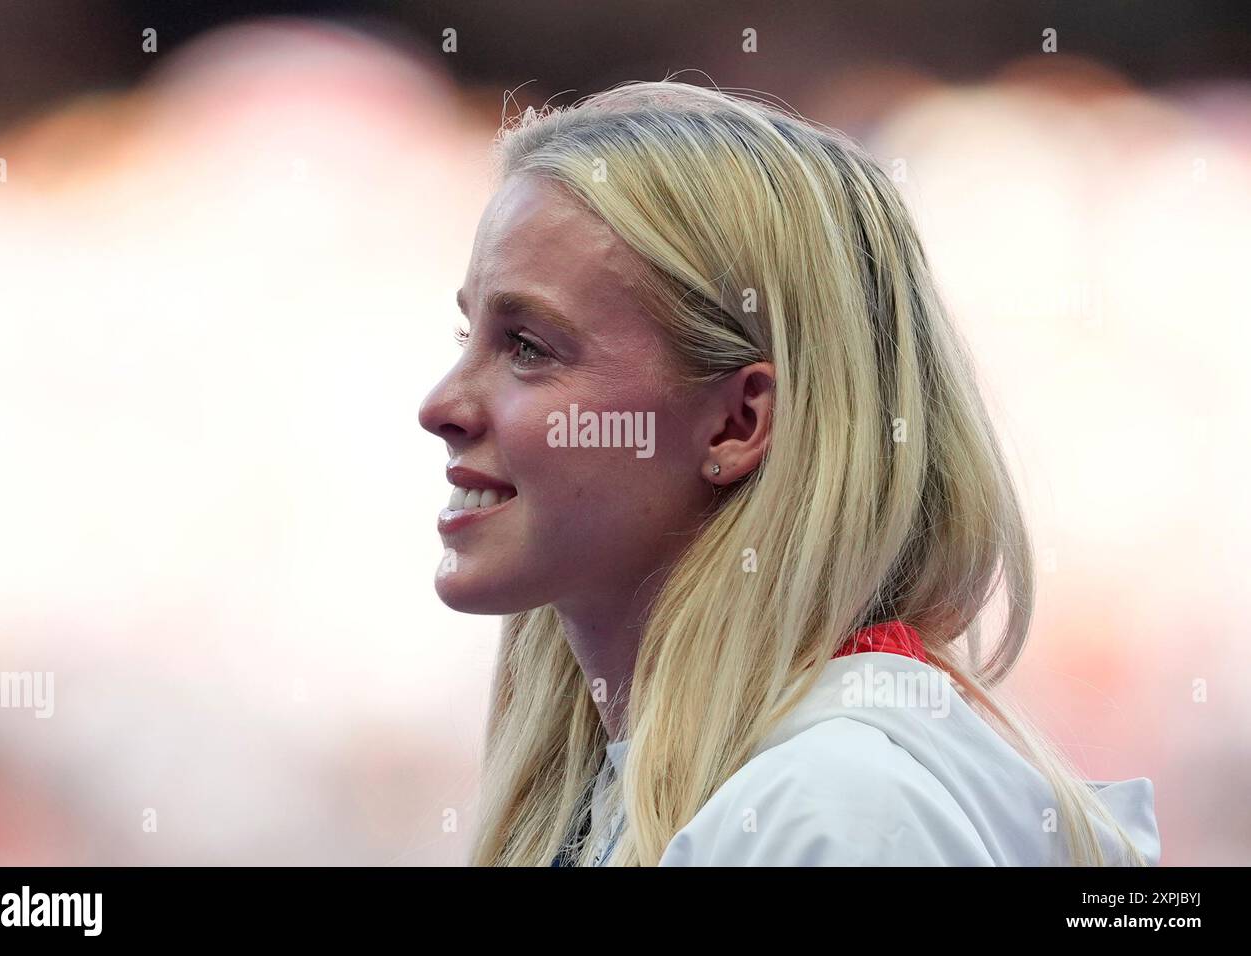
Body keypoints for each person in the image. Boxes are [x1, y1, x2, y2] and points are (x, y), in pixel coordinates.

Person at [418, 80, 1159, 866]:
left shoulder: (834, 813)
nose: (441, 405)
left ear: (739, 422)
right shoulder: (680, 789)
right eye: (469, 334)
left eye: (528, 347)